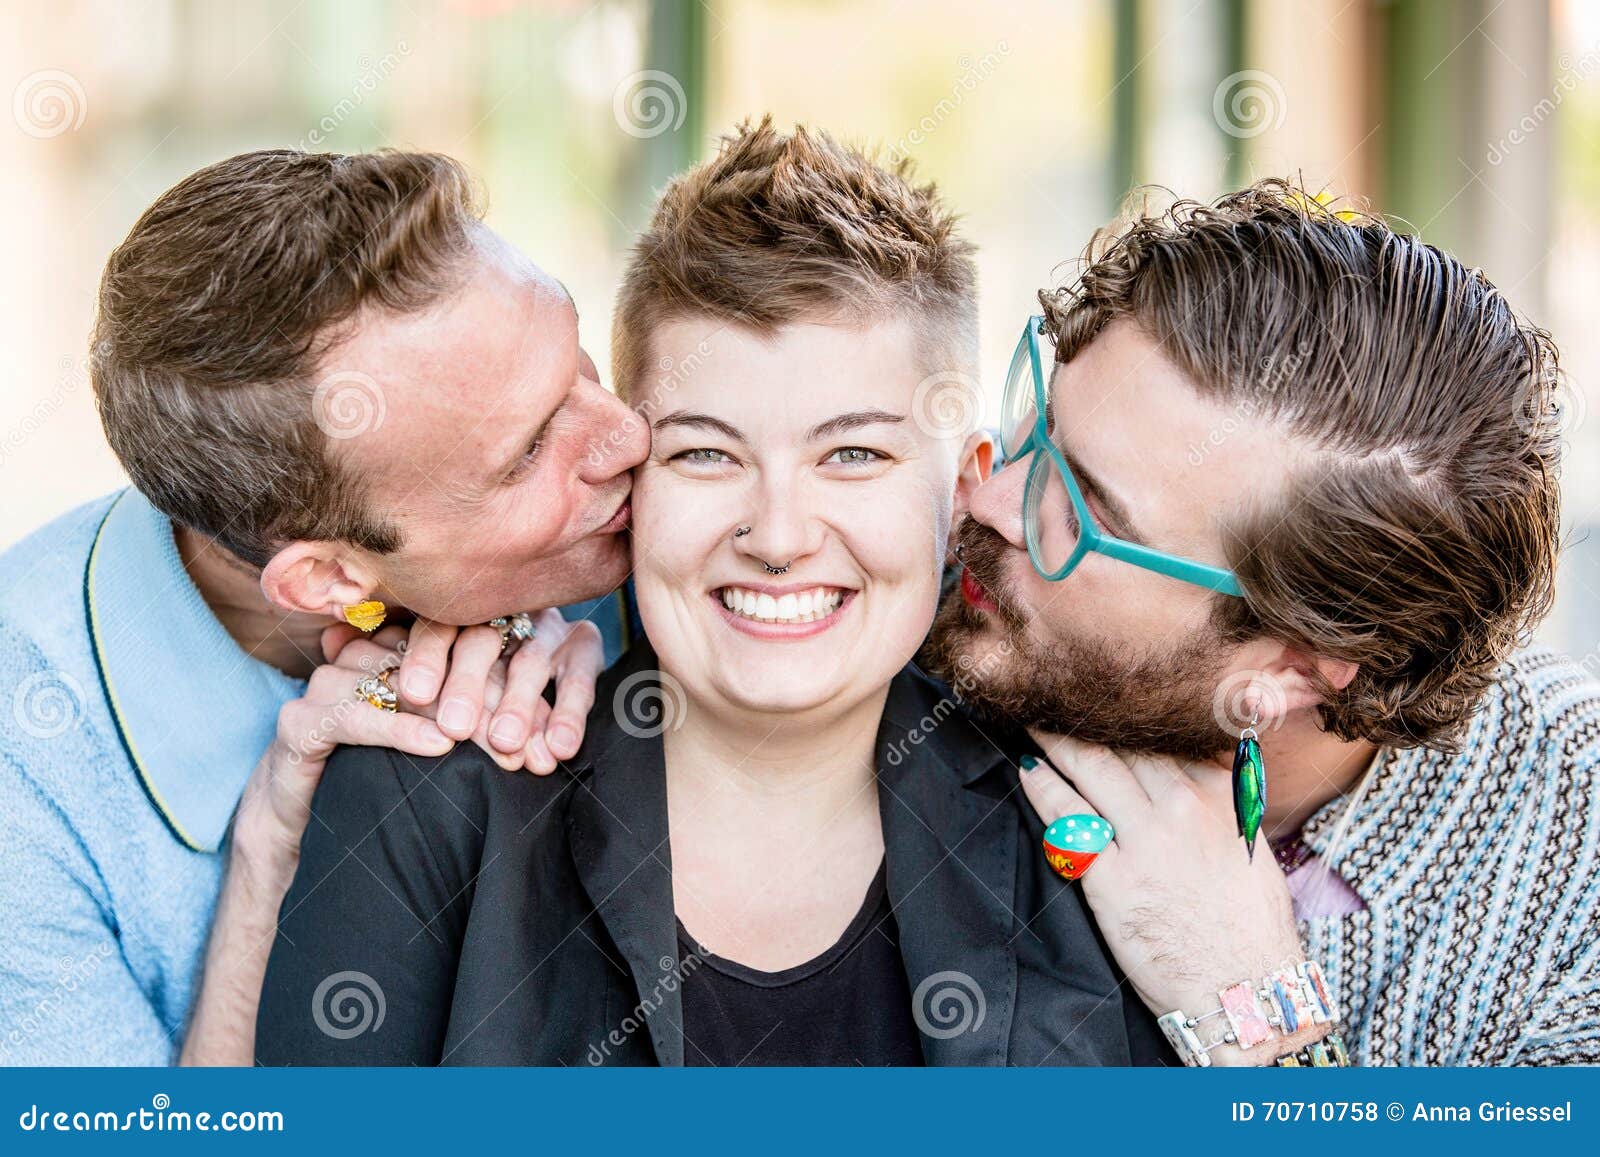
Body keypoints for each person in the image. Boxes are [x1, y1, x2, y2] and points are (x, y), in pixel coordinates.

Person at [253, 121, 1306, 1067]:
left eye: (852, 453)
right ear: (633, 481)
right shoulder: (434, 791)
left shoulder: (1100, 840)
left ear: (960, 486)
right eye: (707, 455)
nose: (779, 535)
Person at [922, 181, 1600, 1065]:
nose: (988, 496)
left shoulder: (1574, 878)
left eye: (1090, 517)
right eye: (1038, 424)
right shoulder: (886, 611)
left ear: (1298, 663)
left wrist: (1256, 1018)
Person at [0, 149, 648, 1065]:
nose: (631, 434)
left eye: (576, 356)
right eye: (530, 451)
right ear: (328, 583)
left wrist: (545, 634)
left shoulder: (620, 542)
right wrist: (267, 857)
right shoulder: (22, 797)